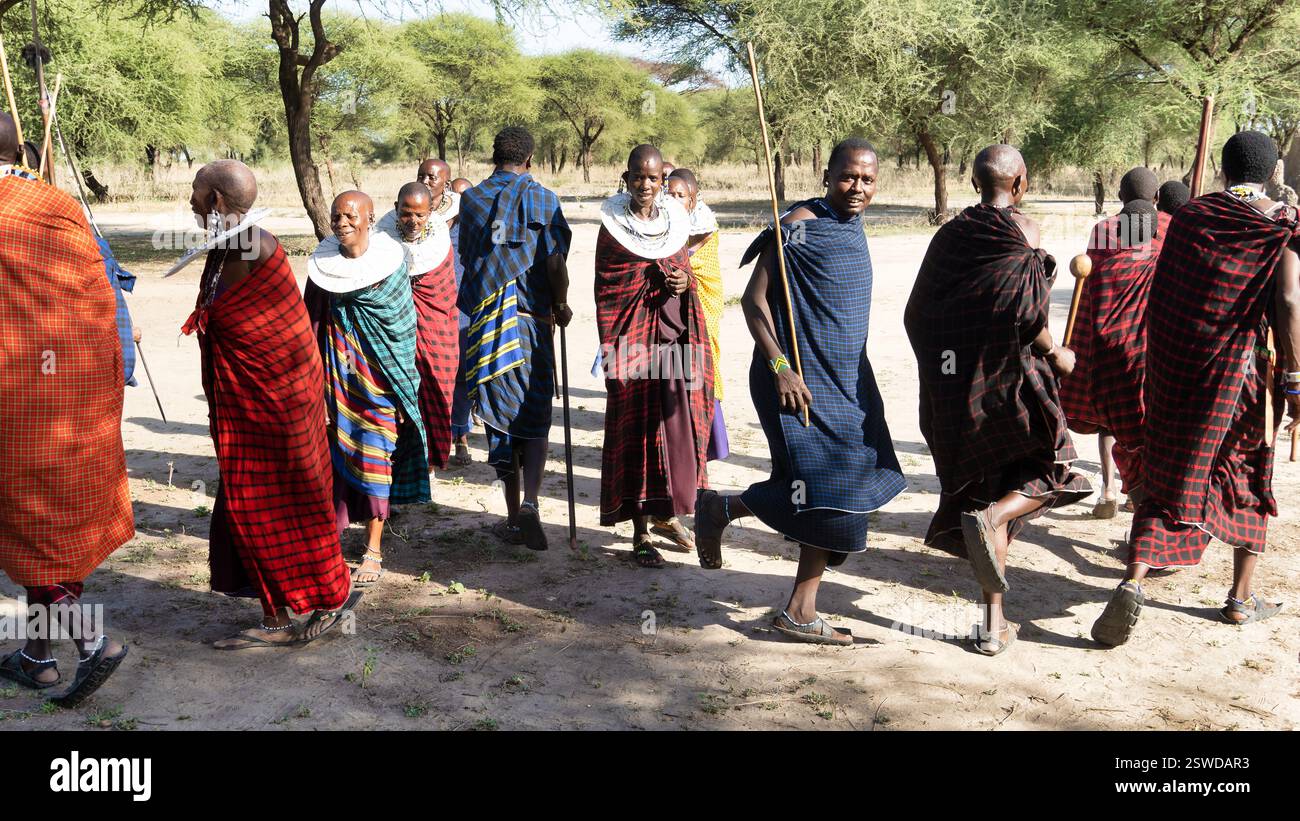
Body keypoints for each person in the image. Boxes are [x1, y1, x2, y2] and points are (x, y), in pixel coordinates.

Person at [1092, 131, 1300, 646]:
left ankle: (1133, 578)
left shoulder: (1189, 217)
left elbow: (1167, 297)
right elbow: (1291, 301)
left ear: (1224, 171)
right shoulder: (1280, 224)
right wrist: (1295, 378)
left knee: (1169, 471)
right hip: (1246, 374)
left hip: (1178, 372)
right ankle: (1240, 598)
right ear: (1273, 171)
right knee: (1250, 473)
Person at [694, 138, 905, 642]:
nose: (858, 188)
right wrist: (782, 367)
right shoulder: (798, 229)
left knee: (843, 486)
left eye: (868, 180)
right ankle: (797, 609)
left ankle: (727, 514)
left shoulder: (849, 227)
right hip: (795, 382)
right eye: (849, 177)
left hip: (847, 380)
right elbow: (752, 301)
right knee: (829, 494)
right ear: (827, 175)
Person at [905, 144, 1091, 656]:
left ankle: (993, 626)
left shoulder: (951, 235)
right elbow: (1029, 320)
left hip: (963, 393)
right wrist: (1059, 356)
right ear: (1022, 184)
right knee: (1052, 472)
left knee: (990, 489)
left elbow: (917, 313)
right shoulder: (1025, 233)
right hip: (1016, 389)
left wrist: (947, 370)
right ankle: (990, 522)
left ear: (972, 182)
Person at [183, 160, 357, 648]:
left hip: (272, 405)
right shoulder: (235, 243)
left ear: (217, 200)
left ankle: (288, 616)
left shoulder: (248, 244)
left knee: (270, 501)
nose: (190, 201)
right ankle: (295, 603)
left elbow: (244, 329)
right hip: (263, 401)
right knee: (268, 500)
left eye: (196, 193)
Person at [0, 113, 132, 704]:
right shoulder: (57, 203)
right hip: (76, 385)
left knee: (26, 522)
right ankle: (35, 657)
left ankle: (93, 641)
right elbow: (101, 285)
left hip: (20, 386)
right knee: (55, 519)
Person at [596, 144, 714, 567]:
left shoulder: (675, 223)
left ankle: (666, 510)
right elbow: (607, 290)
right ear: (625, 178)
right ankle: (639, 532)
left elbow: (683, 271)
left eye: (653, 178)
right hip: (630, 342)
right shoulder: (611, 228)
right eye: (637, 177)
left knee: (670, 424)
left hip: (671, 339)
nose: (645, 185)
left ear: (662, 182)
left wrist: (683, 283)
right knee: (636, 430)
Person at [304, 191, 430, 587]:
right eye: (336, 216)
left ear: (371, 218)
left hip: (380, 383)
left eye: (351, 216)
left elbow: (401, 328)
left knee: (376, 458)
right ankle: (331, 539)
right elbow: (310, 326)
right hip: (335, 382)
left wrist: (393, 379)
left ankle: (373, 549)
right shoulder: (322, 271)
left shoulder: (390, 268)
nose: (342, 222)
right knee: (335, 457)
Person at [458, 127, 571, 551]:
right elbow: (554, 263)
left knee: (500, 418)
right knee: (535, 414)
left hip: (489, 328)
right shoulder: (544, 199)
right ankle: (532, 503)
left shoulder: (471, 200)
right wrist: (560, 305)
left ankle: (510, 515)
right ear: (530, 161)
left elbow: (471, 259)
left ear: (493, 157)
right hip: (533, 324)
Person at [1057, 167, 1159, 519]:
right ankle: (1135, 493)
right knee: (1140, 423)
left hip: (1104, 332)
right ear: (1157, 200)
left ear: (1119, 196)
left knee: (1108, 420)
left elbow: (1094, 281)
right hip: (1147, 345)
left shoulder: (1106, 230)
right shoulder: (1163, 231)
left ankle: (1109, 490)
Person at [377, 182, 457, 473]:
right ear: (396, 210)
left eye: (420, 215)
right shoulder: (380, 241)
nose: (413, 221)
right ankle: (401, 461)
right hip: (394, 330)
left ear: (430, 212)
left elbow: (445, 296)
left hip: (435, 329)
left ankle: (431, 459)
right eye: (406, 214)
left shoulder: (441, 244)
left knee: (437, 381)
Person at [667, 168, 729, 461]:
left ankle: (707, 443)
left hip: (704, 304)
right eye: (670, 194)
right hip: (673, 313)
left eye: (681, 195)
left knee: (702, 370)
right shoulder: (661, 224)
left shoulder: (704, 229)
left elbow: (699, 271)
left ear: (693, 200)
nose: (675, 199)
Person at [449, 176, 475, 465]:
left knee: (464, 377)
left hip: (466, 312)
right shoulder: (432, 230)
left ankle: (461, 435)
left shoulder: (476, 231)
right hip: (440, 313)